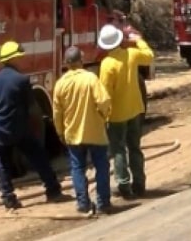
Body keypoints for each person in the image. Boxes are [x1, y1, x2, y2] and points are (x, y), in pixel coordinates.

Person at [0, 41, 68, 210]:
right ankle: (53, 190)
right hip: (18, 129)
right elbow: (32, 107)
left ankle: (8, 198)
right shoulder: (22, 80)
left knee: (3, 163)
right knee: (39, 156)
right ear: (14, 59)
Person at [52, 47, 113, 215]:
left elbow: (57, 112)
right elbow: (104, 101)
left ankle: (83, 203)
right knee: (101, 166)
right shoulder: (90, 79)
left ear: (66, 63)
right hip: (94, 131)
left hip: (72, 134)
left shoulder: (60, 84)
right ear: (81, 60)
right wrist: (104, 116)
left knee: (77, 168)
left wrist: (60, 132)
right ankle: (103, 203)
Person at [97, 24, 154, 199]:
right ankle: (139, 183)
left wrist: (102, 114)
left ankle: (123, 184)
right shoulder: (132, 54)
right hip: (135, 109)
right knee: (135, 147)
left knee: (119, 150)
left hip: (116, 115)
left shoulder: (107, 64)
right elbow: (149, 56)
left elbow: (104, 93)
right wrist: (138, 40)